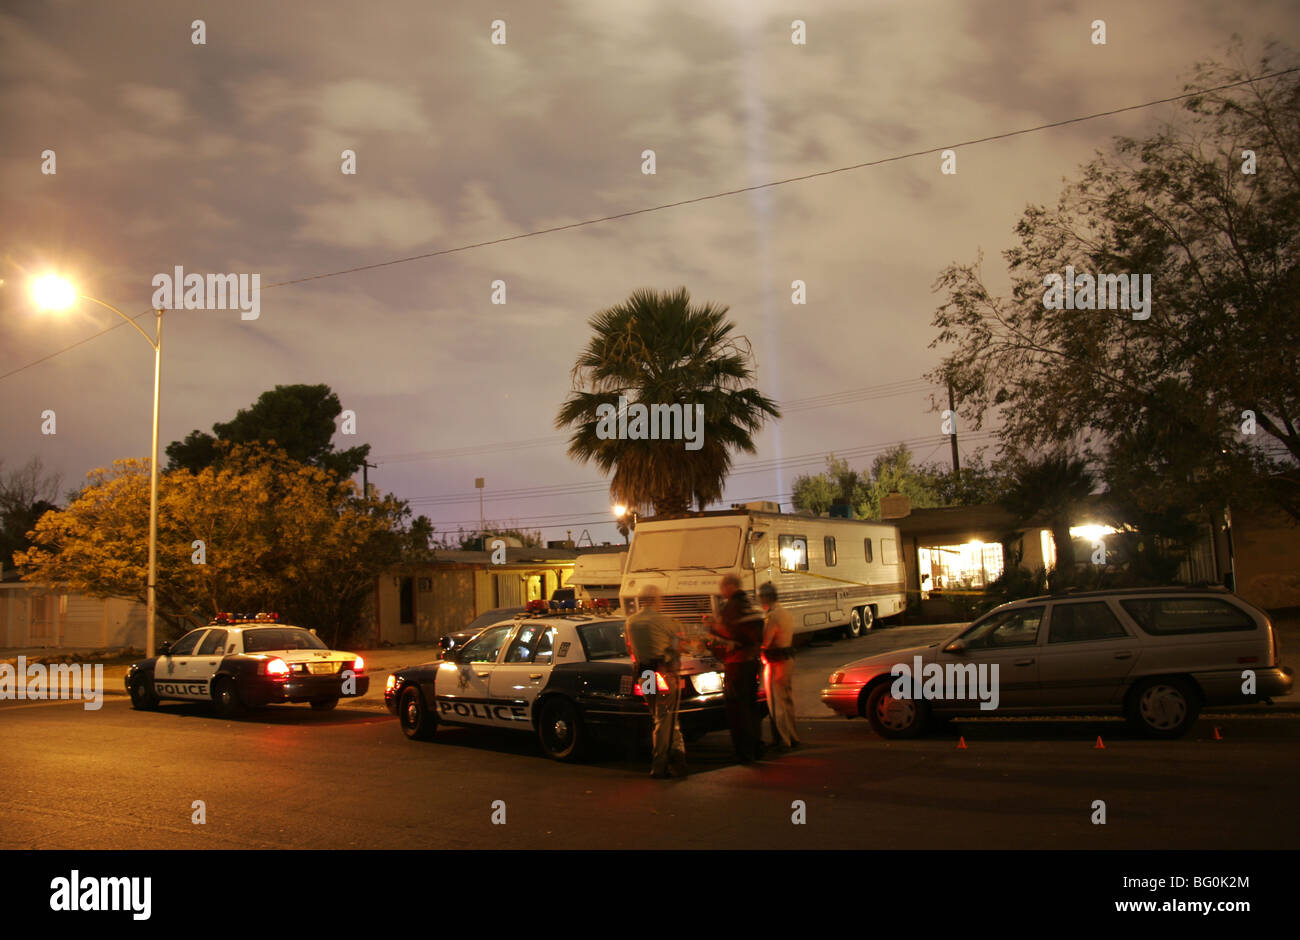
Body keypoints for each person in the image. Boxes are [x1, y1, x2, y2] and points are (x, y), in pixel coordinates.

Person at [624, 585, 687, 779]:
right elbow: (678, 645)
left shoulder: (631, 622)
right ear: (655, 600)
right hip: (664, 674)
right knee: (665, 717)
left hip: (645, 675)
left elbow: (630, 648)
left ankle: (678, 757)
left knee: (659, 716)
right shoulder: (666, 622)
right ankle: (660, 764)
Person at [705, 574, 766, 763]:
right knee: (751, 707)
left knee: (737, 710)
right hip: (753, 661)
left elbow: (729, 632)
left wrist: (711, 628)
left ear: (729, 586)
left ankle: (744, 752)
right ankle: (756, 748)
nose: (721, 592)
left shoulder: (732, 606)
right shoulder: (752, 604)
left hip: (737, 664)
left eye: (722, 587)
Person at [759, 582, 800, 750]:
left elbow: (766, 642)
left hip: (775, 661)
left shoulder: (772, 616)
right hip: (788, 658)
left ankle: (783, 739)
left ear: (766, 598)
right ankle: (793, 735)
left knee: (777, 703)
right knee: (788, 700)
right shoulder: (786, 613)